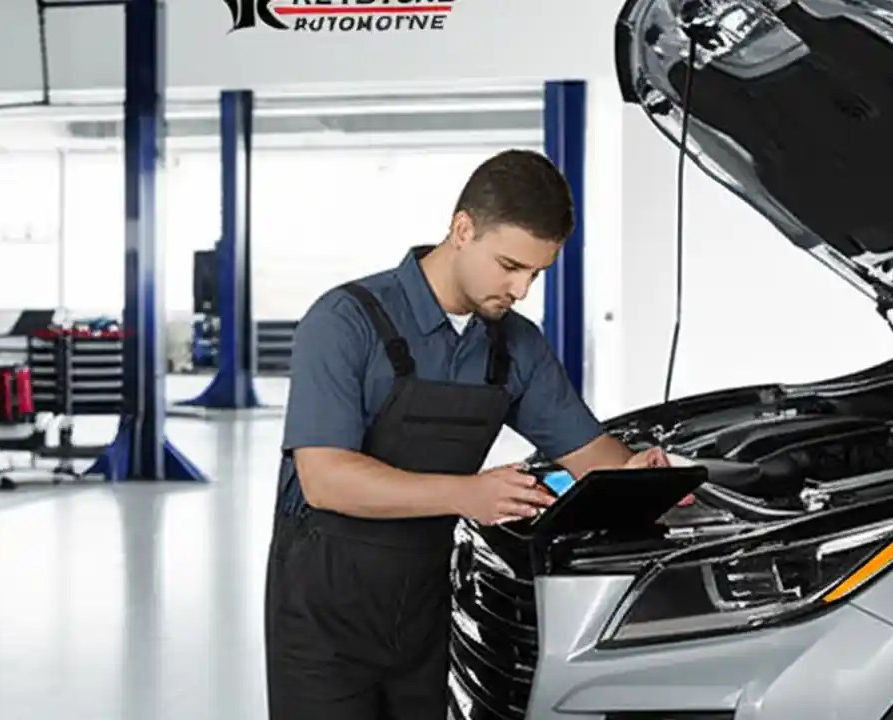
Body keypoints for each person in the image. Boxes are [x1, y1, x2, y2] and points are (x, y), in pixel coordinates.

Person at [263, 149, 669, 720]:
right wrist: (467, 494)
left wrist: (639, 477)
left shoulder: (515, 345)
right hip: (324, 615)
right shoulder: (344, 322)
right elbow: (325, 480)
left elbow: (593, 457)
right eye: (509, 265)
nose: (522, 288)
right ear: (462, 229)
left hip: (423, 608)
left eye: (536, 273)